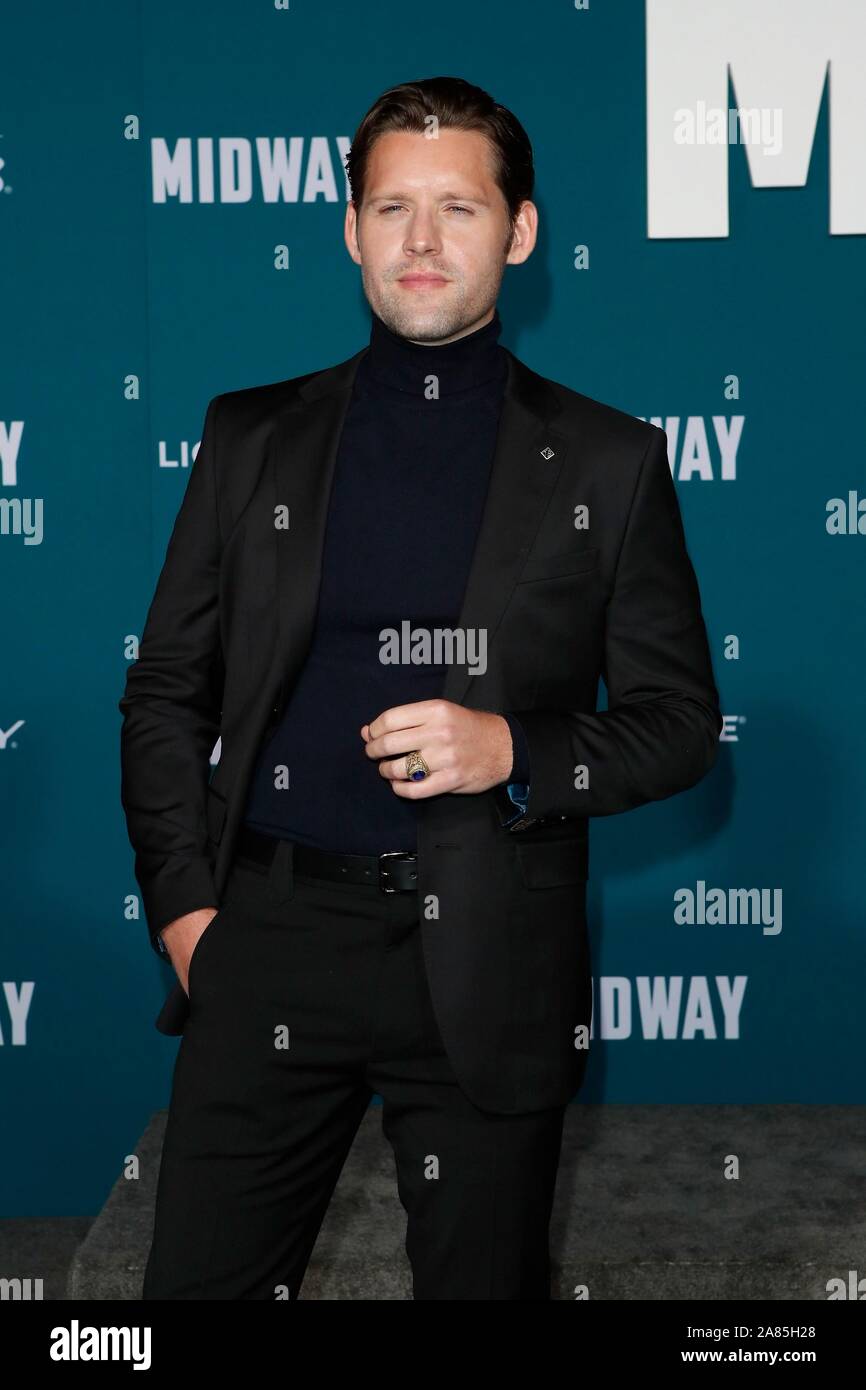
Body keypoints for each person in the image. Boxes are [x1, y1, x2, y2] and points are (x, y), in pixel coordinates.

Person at [119, 75, 722, 1300]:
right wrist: (189, 912)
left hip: (489, 948)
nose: (422, 241)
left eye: (457, 207)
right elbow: (167, 690)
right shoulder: (252, 438)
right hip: (270, 936)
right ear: (348, 231)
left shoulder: (608, 460)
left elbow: (679, 725)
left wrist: (515, 749)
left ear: (520, 231)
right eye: (391, 208)